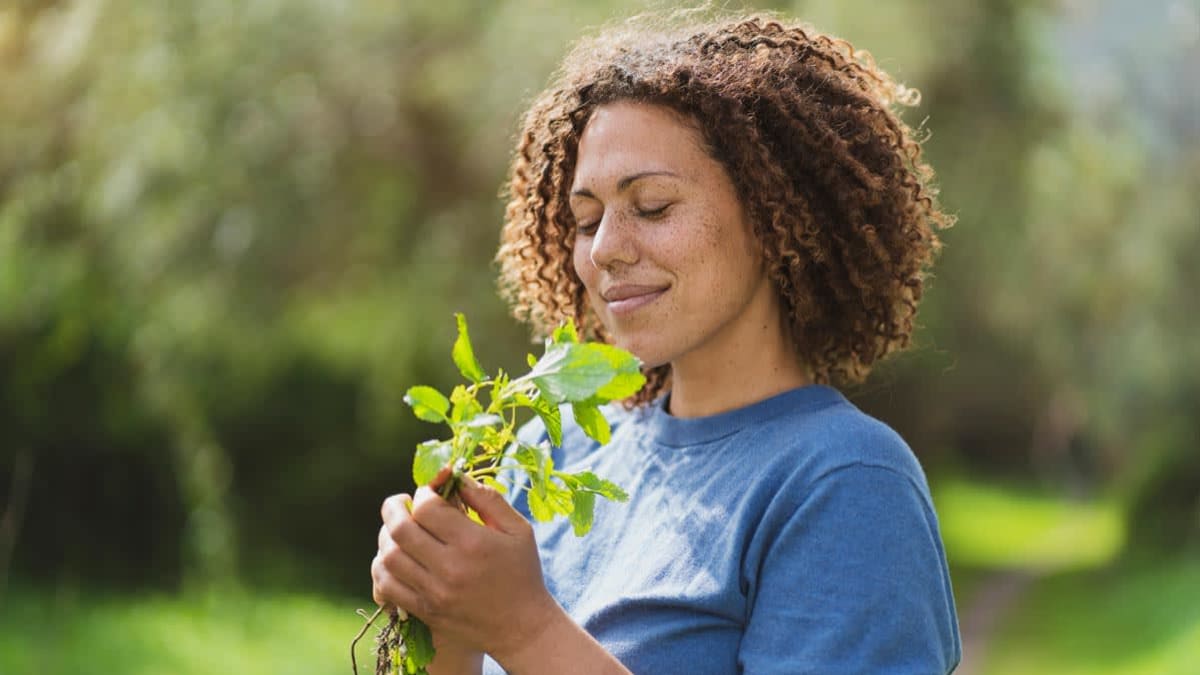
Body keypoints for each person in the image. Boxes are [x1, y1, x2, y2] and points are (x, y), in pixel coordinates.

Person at [372, 11, 961, 674]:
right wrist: (441, 617)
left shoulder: (846, 482)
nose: (606, 251)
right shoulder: (552, 453)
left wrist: (525, 627)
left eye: (651, 205)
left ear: (774, 216)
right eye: (586, 219)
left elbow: (525, 634)